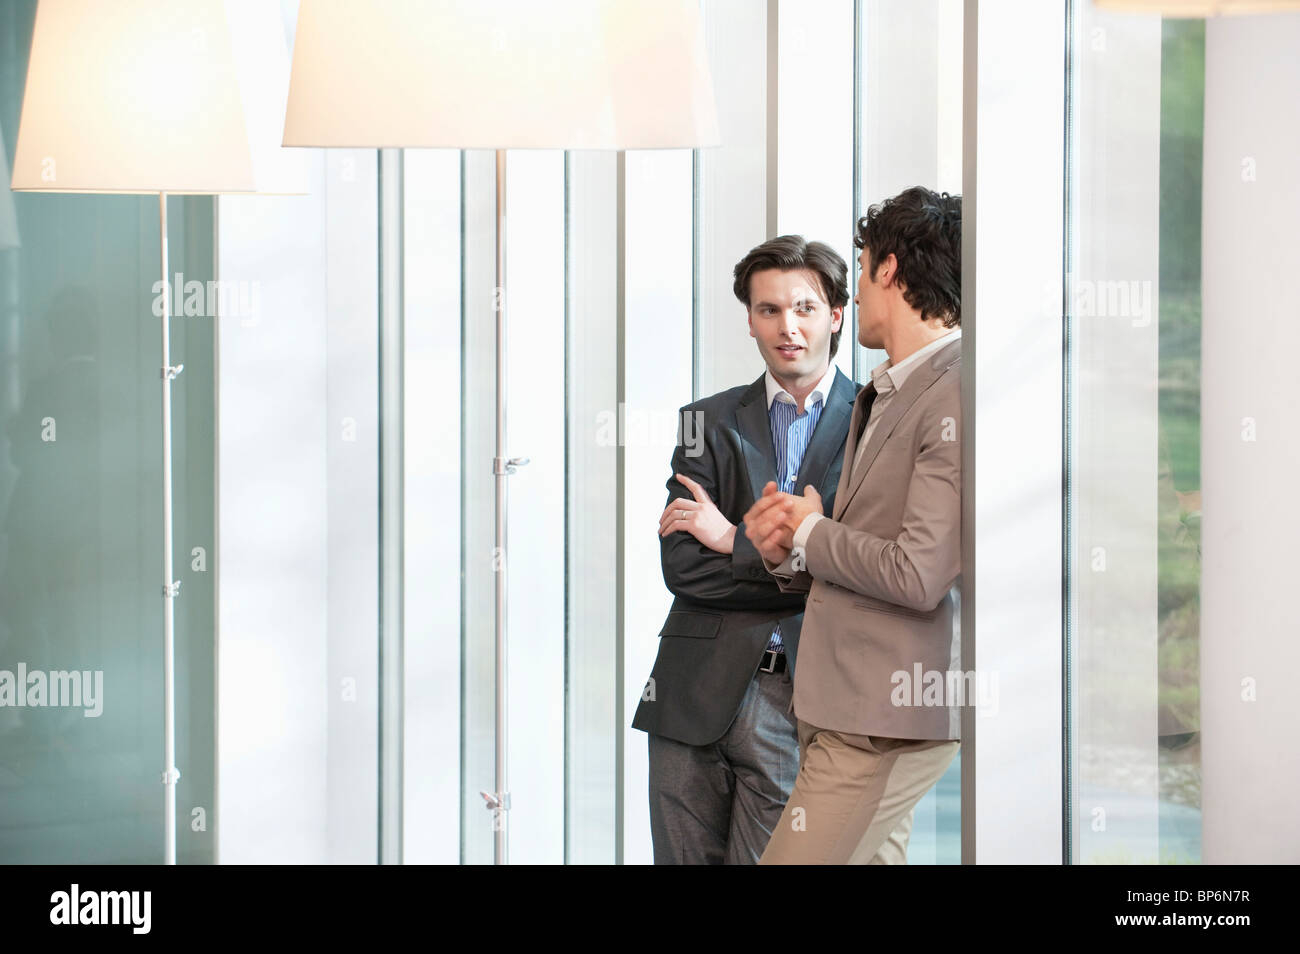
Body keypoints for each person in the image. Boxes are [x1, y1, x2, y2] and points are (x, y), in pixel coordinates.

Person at [744, 187, 963, 865]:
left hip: (881, 721)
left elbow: (918, 572)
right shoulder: (893, 387)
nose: (858, 293)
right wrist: (793, 545)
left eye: (864, 270)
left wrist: (812, 531)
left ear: (890, 270)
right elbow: (863, 548)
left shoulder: (953, 391)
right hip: (844, 706)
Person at [632, 235, 861, 864]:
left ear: (836, 315)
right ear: (751, 321)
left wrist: (731, 538)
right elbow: (682, 568)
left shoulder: (875, 422)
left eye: (805, 308)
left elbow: (854, 569)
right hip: (692, 696)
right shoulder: (704, 421)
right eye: (768, 310)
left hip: (801, 702)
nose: (787, 327)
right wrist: (802, 557)